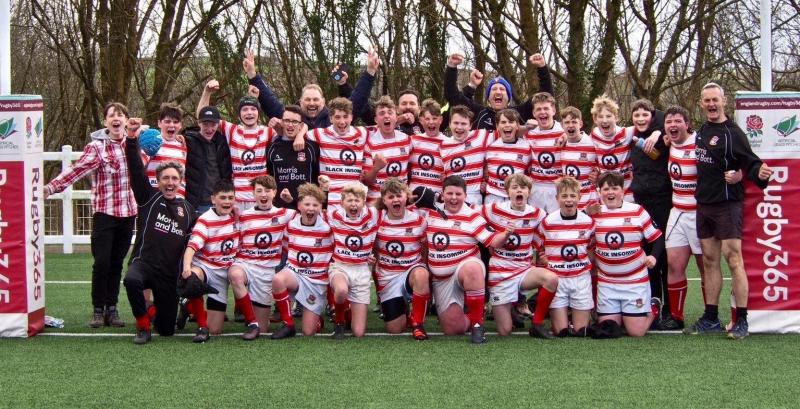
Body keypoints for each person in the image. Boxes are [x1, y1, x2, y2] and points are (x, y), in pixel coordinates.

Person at [685, 83, 773, 339]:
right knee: (710, 261)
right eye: (707, 100)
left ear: (724, 101)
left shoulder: (733, 132)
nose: (711, 105)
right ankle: (711, 316)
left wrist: (752, 174)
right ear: (701, 103)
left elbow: (751, 162)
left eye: (715, 100)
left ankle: (742, 320)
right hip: (704, 204)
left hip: (727, 204)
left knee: (733, 260)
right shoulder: (701, 130)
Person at [44, 102, 137, 328]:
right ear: (105, 122)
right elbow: (76, 171)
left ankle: (112, 310)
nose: (117, 119)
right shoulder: (96, 148)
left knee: (117, 263)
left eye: (121, 115)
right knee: (102, 262)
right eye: (112, 115)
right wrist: (50, 188)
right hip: (105, 213)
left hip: (128, 213)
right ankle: (97, 309)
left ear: (126, 120)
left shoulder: (135, 144)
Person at [121, 118, 196, 344]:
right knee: (131, 280)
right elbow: (135, 168)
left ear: (181, 181)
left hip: (168, 273)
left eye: (175, 178)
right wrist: (132, 139)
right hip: (144, 264)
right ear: (158, 180)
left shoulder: (187, 209)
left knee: (166, 330)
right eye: (166, 178)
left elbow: (197, 239)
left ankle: (168, 309)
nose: (170, 183)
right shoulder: (148, 198)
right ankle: (143, 327)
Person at [424, 175, 512, 344]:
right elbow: (412, 196)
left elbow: (492, 241)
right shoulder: (432, 210)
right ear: (442, 194)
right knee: (453, 330)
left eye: (458, 194)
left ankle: (477, 325)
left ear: (465, 196)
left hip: (464, 267)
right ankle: (470, 314)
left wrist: (506, 234)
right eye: (449, 193)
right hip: (441, 279)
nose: (454, 198)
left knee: (473, 269)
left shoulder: (473, 216)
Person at [481, 174, 558, 338]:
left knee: (551, 279)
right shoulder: (494, 209)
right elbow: (472, 217)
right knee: (505, 331)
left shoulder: (538, 214)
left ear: (529, 192)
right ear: (507, 191)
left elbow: (555, 226)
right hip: (500, 272)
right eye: (515, 187)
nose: (519, 191)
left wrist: (543, 255)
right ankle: (513, 304)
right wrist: (490, 240)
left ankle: (537, 324)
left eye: (523, 188)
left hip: (524, 269)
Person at [593, 171, 663, 337]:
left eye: (615, 188)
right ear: (599, 192)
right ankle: (626, 313)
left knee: (636, 332)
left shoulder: (637, 211)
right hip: (607, 282)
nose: (610, 192)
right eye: (606, 189)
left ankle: (653, 306)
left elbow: (658, 238)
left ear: (622, 190)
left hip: (634, 281)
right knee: (610, 329)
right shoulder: (593, 213)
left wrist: (653, 256)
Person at [197, 80, 279, 210]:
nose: (249, 113)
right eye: (245, 109)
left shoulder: (268, 131)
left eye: (253, 109)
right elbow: (203, 116)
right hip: (236, 199)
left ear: (258, 113)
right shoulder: (232, 130)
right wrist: (206, 92)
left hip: (260, 197)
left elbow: (293, 129)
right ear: (239, 115)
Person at [245, 49, 376, 128]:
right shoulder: (291, 119)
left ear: (323, 102)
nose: (312, 103)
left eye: (315, 99)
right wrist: (252, 74)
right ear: (300, 102)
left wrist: (369, 72)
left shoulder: (334, 120)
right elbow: (270, 102)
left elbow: (357, 100)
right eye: (307, 99)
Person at [627, 99, 672, 327]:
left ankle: (671, 311)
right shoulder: (631, 137)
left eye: (645, 114)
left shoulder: (663, 134)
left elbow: (675, 120)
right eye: (637, 115)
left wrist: (659, 130)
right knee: (648, 257)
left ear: (653, 116)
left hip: (663, 202)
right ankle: (653, 305)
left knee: (664, 258)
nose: (641, 119)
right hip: (640, 203)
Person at [270, 183, 334, 339]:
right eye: (307, 204)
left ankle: (316, 317)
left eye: (315, 205)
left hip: (316, 280)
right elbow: (286, 248)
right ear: (298, 205)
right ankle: (288, 324)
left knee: (308, 332)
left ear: (321, 207)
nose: (310, 208)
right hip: (295, 274)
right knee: (278, 279)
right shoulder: (291, 224)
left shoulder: (328, 225)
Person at [181, 180, 241, 342]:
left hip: (223, 274)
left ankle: (188, 306)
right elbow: (191, 247)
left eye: (230, 198)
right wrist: (187, 267)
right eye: (223, 197)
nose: (227, 201)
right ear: (213, 199)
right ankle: (201, 327)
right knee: (193, 277)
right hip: (205, 268)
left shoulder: (237, 217)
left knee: (216, 330)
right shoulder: (205, 219)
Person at [537, 177, 595, 337]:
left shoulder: (588, 222)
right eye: (564, 196)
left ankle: (581, 315)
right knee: (560, 332)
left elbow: (590, 250)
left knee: (580, 332)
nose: (568, 200)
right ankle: (563, 319)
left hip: (580, 278)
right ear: (557, 198)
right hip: (558, 279)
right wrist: (543, 259)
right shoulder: (547, 222)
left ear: (579, 197)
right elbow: (537, 246)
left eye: (572, 196)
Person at [374, 178, 431, 340]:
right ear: (384, 200)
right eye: (391, 197)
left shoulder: (419, 220)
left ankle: (418, 324)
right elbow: (372, 247)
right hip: (388, 276)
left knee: (421, 274)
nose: (395, 200)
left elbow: (425, 247)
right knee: (394, 329)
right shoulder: (376, 219)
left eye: (399, 196)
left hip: (410, 271)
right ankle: (404, 309)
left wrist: (424, 268)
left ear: (406, 197)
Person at [444, 53, 553, 130]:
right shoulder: (478, 113)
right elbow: (453, 97)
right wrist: (452, 66)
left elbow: (545, 96)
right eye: (494, 89)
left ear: (509, 98)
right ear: (488, 98)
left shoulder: (520, 113)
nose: (498, 92)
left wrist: (542, 67)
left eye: (502, 89)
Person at [326, 182, 379, 339]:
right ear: (342, 203)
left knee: (358, 332)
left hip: (361, 270)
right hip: (339, 267)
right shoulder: (334, 216)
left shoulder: (373, 215)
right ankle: (339, 322)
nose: (353, 204)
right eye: (349, 200)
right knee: (341, 290)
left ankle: (348, 312)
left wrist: (372, 255)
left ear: (364, 202)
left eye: (357, 200)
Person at [305, 97, 368, 208]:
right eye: (337, 117)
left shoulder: (362, 133)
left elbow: (382, 127)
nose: (342, 122)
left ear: (352, 117)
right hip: (330, 199)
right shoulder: (320, 134)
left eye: (345, 117)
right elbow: (298, 130)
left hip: (354, 198)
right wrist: (300, 135)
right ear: (330, 118)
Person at [265, 105, 321, 209]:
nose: (290, 125)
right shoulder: (271, 147)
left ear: (301, 125)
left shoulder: (312, 147)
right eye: (286, 121)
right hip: (279, 209)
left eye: (295, 122)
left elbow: (318, 178)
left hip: (306, 210)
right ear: (281, 122)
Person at [440, 105, 495, 206]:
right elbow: (441, 174)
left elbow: (509, 134)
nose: (459, 127)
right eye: (456, 123)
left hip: (474, 197)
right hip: (452, 197)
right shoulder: (442, 145)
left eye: (463, 124)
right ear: (449, 124)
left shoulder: (481, 136)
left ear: (470, 126)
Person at [362, 96, 411, 204]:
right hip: (376, 201)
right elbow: (366, 182)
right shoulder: (369, 143)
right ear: (376, 120)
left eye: (390, 112)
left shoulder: (406, 139)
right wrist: (376, 168)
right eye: (382, 113)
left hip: (401, 200)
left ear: (396, 117)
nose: (386, 116)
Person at [184, 106, 233, 214]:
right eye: (205, 124)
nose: (209, 129)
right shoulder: (188, 141)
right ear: (199, 123)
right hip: (196, 204)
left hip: (219, 202)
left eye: (213, 125)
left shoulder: (223, 143)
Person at [525, 92, 565, 213]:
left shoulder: (564, 131)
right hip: (536, 188)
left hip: (558, 187)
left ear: (553, 110)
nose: (542, 112)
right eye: (538, 109)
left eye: (546, 108)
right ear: (534, 113)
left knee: (556, 226)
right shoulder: (529, 134)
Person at [483, 109, 531, 204]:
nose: (507, 125)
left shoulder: (527, 147)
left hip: (516, 198)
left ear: (517, 126)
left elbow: (531, 172)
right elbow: (482, 169)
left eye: (511, 122)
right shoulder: (490, 146)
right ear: (497, 126)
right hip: (493, 197)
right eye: (503, 122)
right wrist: (482, 182)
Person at [144, 103, 187, 198]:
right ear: (159, 123)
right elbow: (138, 168)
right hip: (154, 198)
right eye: (167, 121)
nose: (172, 125)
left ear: (180, 125)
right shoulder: (151, 143)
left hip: (178, 201)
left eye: (175, 122)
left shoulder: (184, 145)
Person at [558, 106, 598, 210]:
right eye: (567, 122)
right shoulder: (560, 144)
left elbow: (602, 164)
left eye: (574, 122)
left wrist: (598, 173)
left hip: (589, 200)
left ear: (580, 124)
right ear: (562, 125)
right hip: (569, 200)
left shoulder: (592, 143)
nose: (570, 125)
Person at [408, 99, 446, 194]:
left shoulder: (448, 142)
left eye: (434, 118)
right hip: (414, 195)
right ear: (421, 120)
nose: (431, 122)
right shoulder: (413, 140)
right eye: (427, 119)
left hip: (437, 196)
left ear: (440, 120)